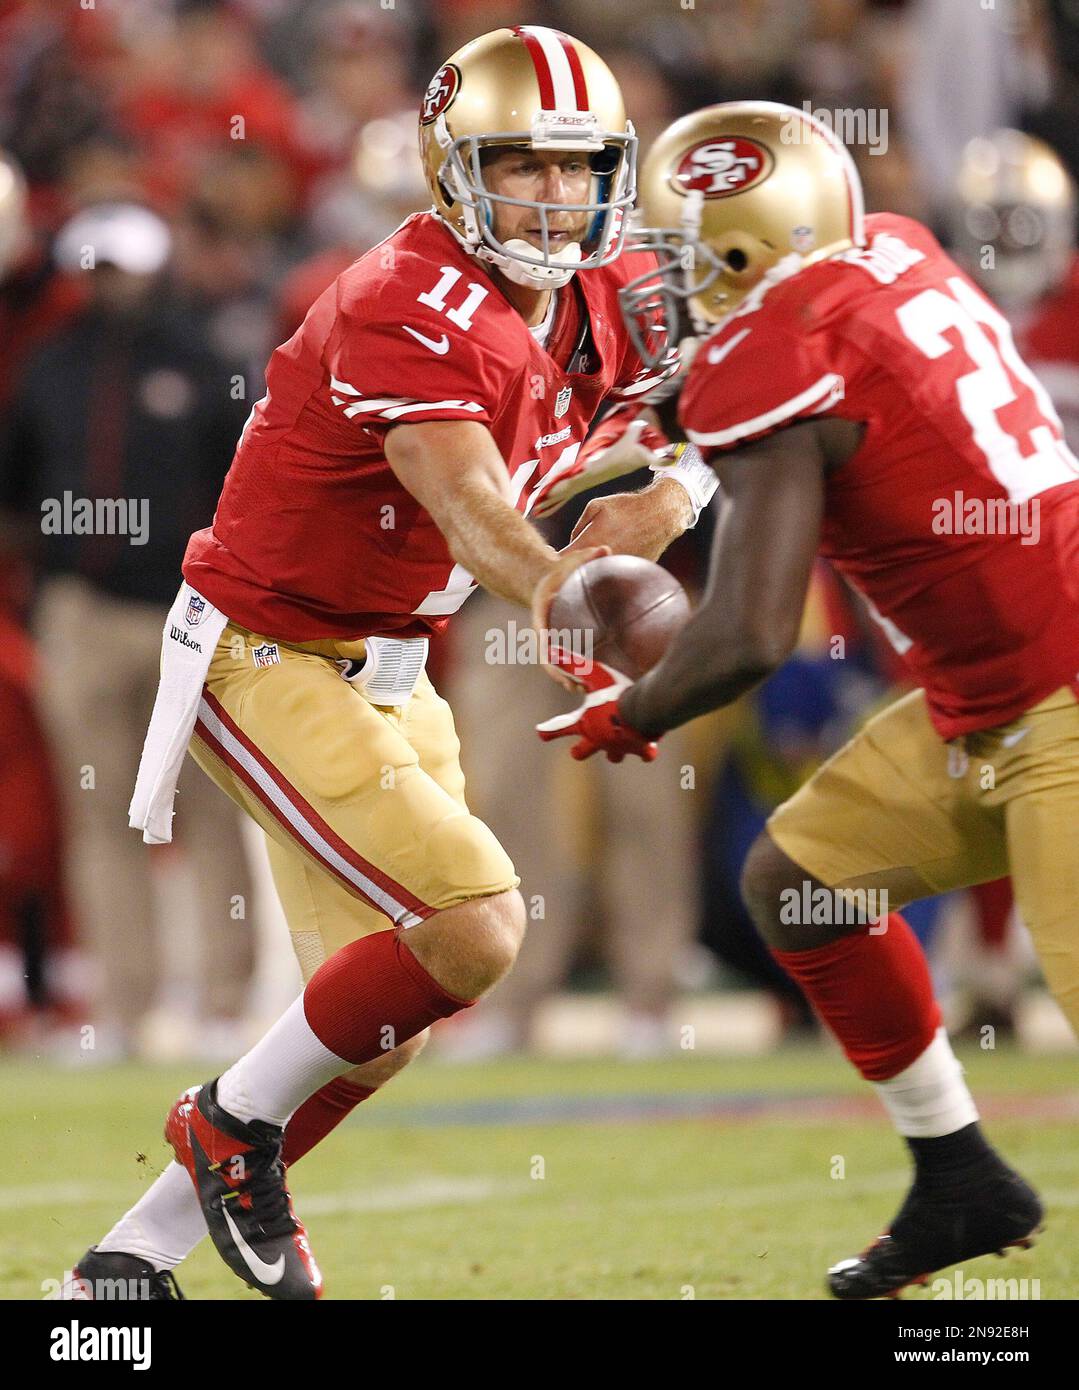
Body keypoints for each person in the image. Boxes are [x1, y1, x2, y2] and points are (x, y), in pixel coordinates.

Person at [68, 26, 710, 1302]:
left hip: (394, 663)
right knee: (475, 920)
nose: (556, 196)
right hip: (269, 654)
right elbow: (471, 503)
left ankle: (120, 1271)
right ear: (451, 170)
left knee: (381, 1019)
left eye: (578, 168)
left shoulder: (606, 289)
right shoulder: (402, 302)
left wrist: (671, 493)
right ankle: (223, 1124)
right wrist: (575, 592)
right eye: (519, 166)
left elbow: (704, 419)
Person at [537, 100, 1079, 1298]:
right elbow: (820, 399)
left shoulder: (776, 355)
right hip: (982, 695)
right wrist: (673, 423)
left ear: (747, 247)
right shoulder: (890, 248)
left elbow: (743, 633)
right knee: (800, 882)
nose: (662, 288)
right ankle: (957, 1177)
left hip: (1061, 700)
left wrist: (630, 711)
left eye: (683, 258)